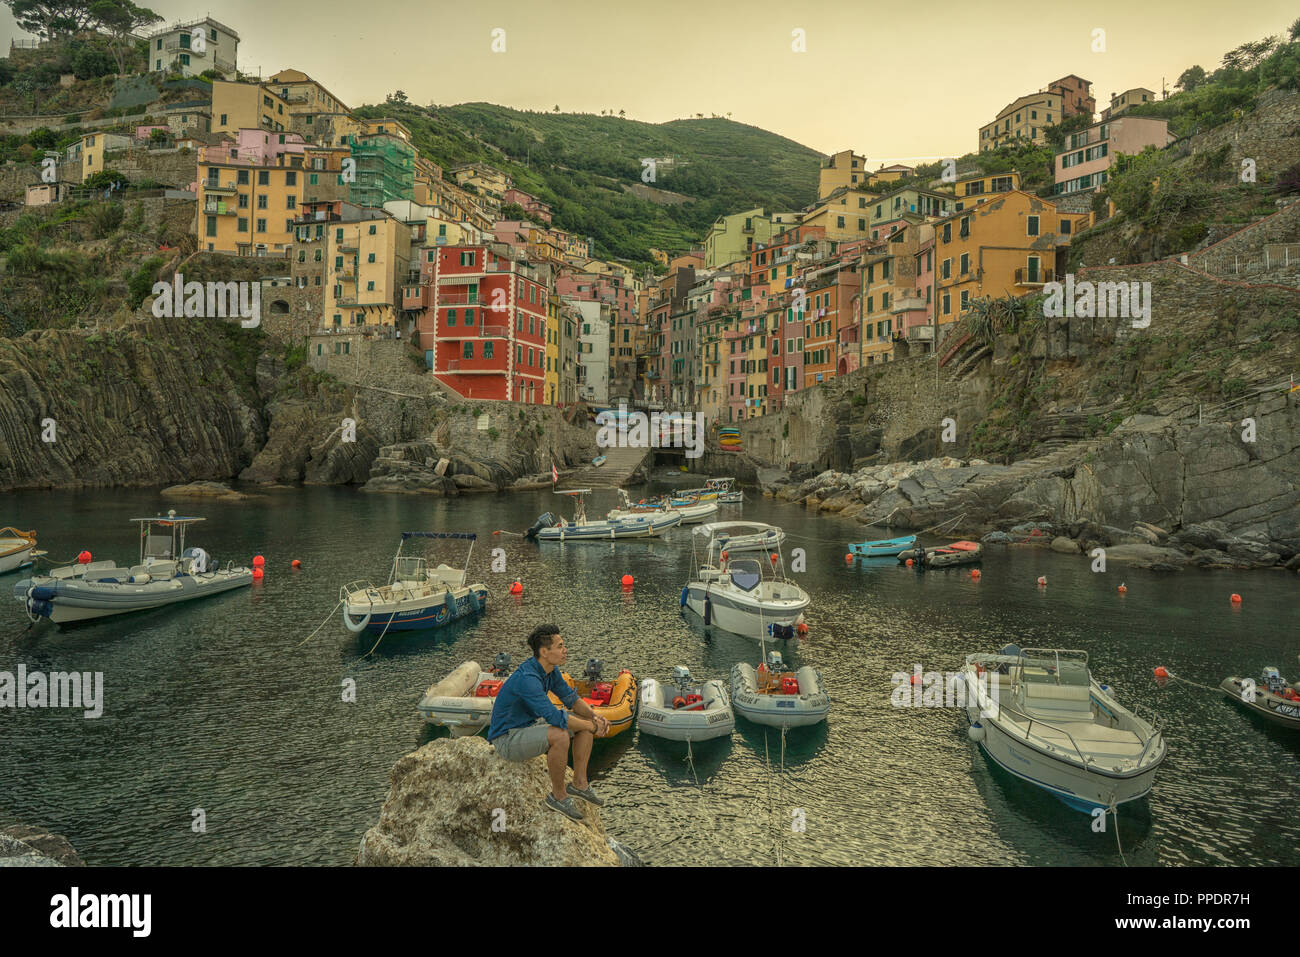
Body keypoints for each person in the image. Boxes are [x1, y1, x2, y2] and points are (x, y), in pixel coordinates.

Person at [487, 625, 610, 821]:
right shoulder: (528, 679)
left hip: (528, 726)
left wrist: (594, 717)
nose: (565, 650)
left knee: (583, 721)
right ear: (544, 652)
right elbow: (555, 718)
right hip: (507, 738)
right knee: (560, 735)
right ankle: (558, 797)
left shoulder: (550, 671)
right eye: (560, 646)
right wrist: (592, 727)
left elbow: (570, 698)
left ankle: (579, 784)